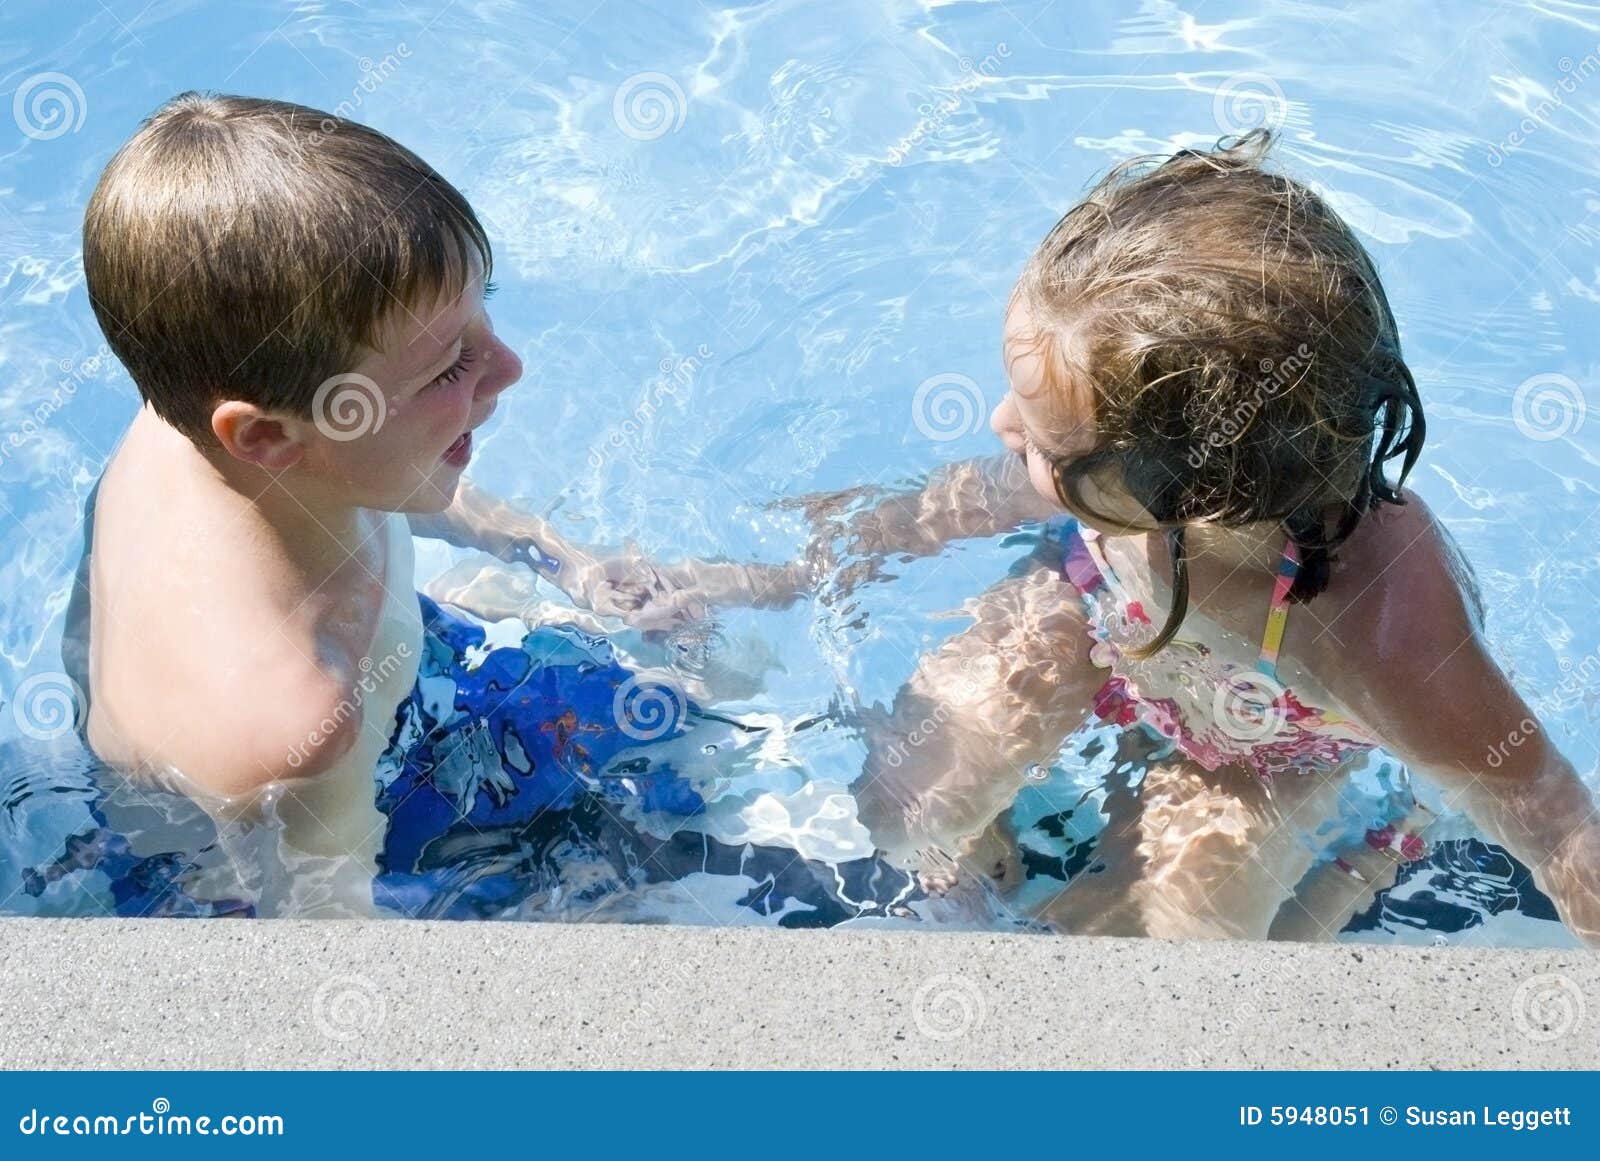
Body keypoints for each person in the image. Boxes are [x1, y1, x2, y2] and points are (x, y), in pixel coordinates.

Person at [810, 131, 1600, 943]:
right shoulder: (1108, 436)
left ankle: (1355, 876)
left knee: (1164, 957)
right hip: (1092, 626)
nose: (1001, 425)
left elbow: (1559, 823)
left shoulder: (1380, 629)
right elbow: (917, 518)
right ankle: (975, 863)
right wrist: (749, 583)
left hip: (1266, 751)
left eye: (1046, 444)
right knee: (909, 806)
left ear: (1196, 494)